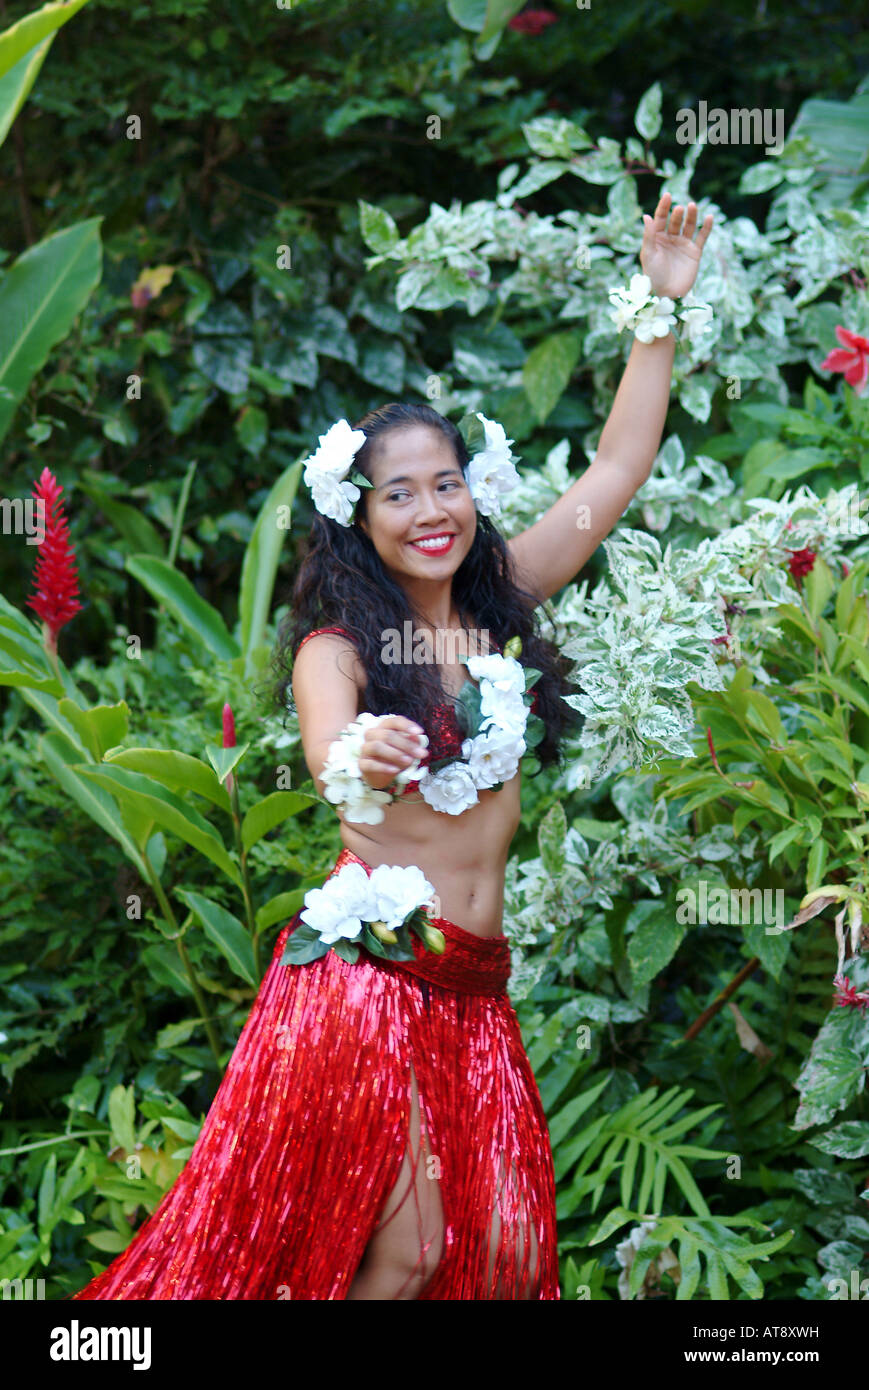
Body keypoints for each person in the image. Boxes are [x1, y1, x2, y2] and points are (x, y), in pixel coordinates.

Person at [72, 193, 713, 1300]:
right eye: (398, 490)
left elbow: (614, 471)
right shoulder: (337, 643)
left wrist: (653, 306)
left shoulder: (498, 596)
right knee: (410, 1250)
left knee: (508, 1253)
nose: (430, 506)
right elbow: (332, 747)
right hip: (372, 982)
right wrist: (363, 751)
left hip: (475, 990)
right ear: (355, 517)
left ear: (477, 492)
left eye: (447, 482)